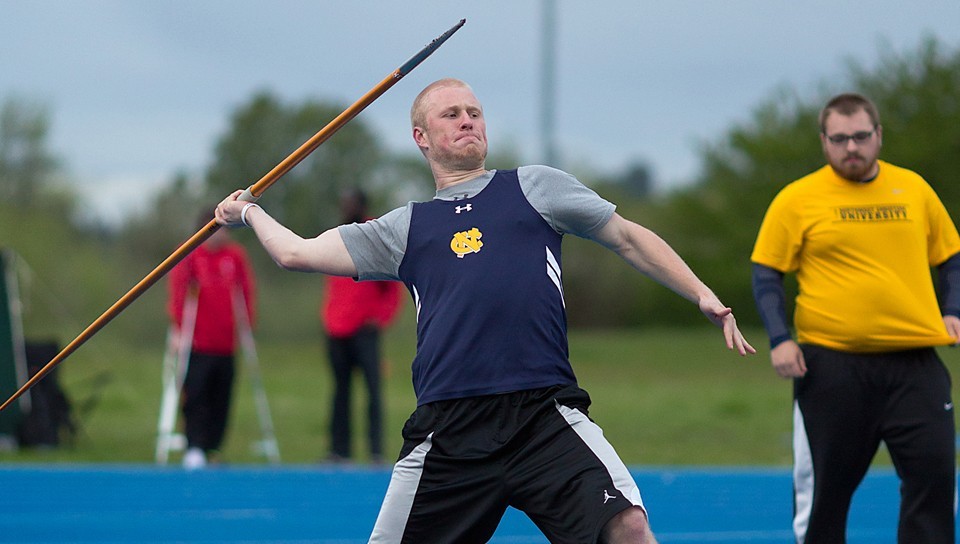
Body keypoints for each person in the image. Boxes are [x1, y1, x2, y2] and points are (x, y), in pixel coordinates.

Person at [215, 78, 754, 543]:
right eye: (451, 114)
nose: (467, 120)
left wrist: (700, 292)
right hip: (449, 431)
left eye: (474, 112)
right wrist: (250, 212)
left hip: (543, 415)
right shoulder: (404, 227)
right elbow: (296, 253)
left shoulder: (536, 187)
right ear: (421, 137)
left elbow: (628, 237)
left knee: (628, 527)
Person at [750, 93, 960, 543]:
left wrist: (953, 311)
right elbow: (766, 271)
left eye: (861, 136)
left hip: (915, 366)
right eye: (840, 139)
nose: (851, 147)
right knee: (825, 496)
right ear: (824, 142)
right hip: (832, 367)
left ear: (879, 136)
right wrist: (780, 338)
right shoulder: (797, 199)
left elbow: (952, 257)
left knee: (935, 477)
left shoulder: (914, 189)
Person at [168, 212, 256, 470]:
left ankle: (214, 447)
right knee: (196, 395)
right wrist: (179, 328)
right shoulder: (190, 254)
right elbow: (178, 294)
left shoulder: (235, 256)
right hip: (197, 342)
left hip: (226, 342)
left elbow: (246, 291)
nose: (222, 236)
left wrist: (247, 325)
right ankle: (194, 445)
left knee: (222, 396)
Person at [321, 188, 403, 464]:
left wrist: (381, 318)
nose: (345, 208)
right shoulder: (337, 234)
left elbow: (392, 285)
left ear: (361, 205)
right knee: (340, 391)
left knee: (373, 391)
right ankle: (339, 451)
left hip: (365, 329)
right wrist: (328, 316)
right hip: (337, 328)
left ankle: (376, 451)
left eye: (350, 203)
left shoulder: (374, 233)